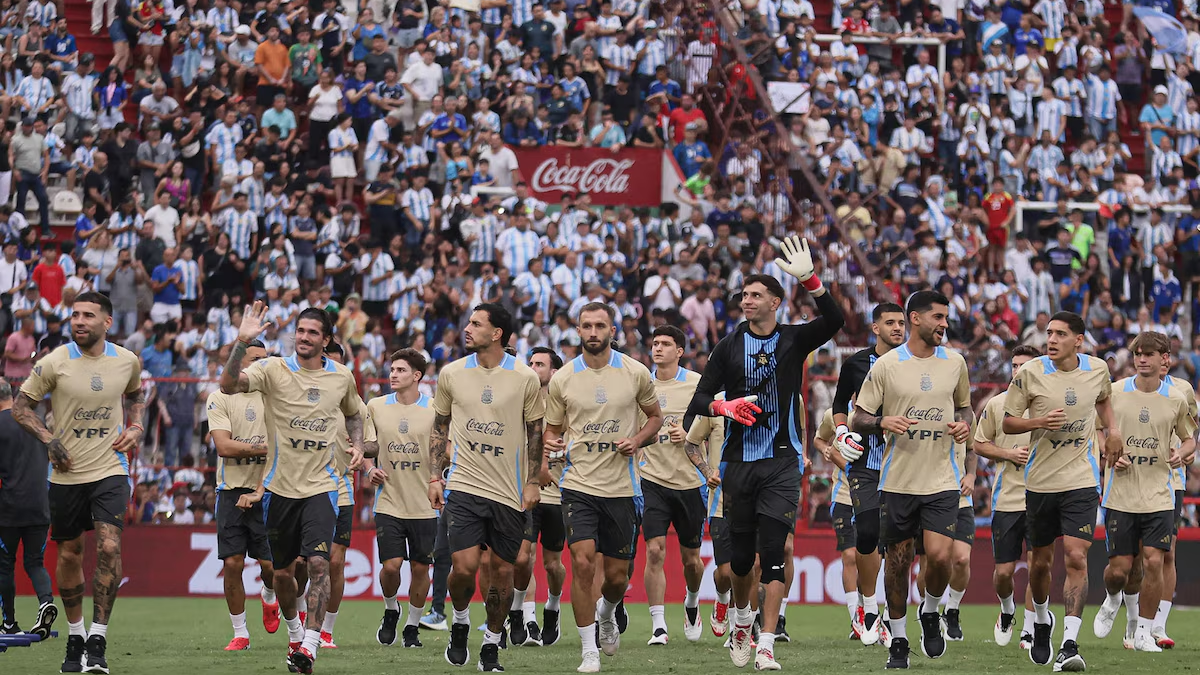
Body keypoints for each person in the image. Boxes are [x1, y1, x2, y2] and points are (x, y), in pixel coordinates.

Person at [685, 236, 843, 671]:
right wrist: (724, 405)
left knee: (774, 553)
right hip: (737, 464)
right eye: (744, 296)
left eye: (756, 295)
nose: (746, 300)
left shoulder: (793, 340)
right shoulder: (728, 347)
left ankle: (767, 642)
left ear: (775, 301)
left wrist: (810, 278)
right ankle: (740, 622)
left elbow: (835, 318)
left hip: (781, 464)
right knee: (740, 561)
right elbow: (696, 404)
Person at [220, 303, 367, 675]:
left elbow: (353, 414)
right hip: (279, 489)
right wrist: (242, 342)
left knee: (319, 563)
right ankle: (296, 631)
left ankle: (311, 646)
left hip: (322, 487)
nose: (304, 337)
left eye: (313, 332)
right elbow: (227, 385)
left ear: (327, 339)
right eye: (300, 330)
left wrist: (359, 444)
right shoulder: (273, 369)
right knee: (283, 575)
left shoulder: (341, 377)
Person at [14, 291, 145, 674]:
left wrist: (136, 426)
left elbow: (137, 397)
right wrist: (48, 439)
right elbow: (22, 408)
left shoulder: (126, 360)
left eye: (88, 315)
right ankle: (76, 636)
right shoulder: (53, 362)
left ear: (107, 321)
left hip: (111, 469)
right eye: (74, 315)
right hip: (67, 473)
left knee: (108, 545)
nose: (79, 322)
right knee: (70, 552)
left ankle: (98, 639)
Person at [853, 290, 973, 669]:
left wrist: (964, 424)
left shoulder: (955, 362)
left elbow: (966, 406)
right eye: (938, 317)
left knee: (940, 558)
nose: (944, 324)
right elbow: (858, 418)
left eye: (946, 317)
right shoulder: (887, 365)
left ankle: (931, 611)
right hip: (898, 480)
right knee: (898, 564)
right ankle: (899, 640)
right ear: (916, 319)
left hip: (942, 478)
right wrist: (882, 422)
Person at [544, 301, 663, 673]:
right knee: (580, 562)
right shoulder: (563, 378)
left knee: (616, 577)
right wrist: (552, 443)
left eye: (600, 326)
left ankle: (608, 610)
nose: (593, 332)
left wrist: (638, 439)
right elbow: (552, 429)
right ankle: (588, 649)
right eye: (586, 326)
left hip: (623, 488)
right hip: (578, 485)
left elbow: (656, 418)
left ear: (613, 330)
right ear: (577, 331)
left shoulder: (635, 372)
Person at [427, 302, 544, 672]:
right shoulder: (451, 373)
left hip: (508, 491)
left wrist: (532, 481)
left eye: (476, 324)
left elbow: (535, 432)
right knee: (462, 567)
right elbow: (439, 426)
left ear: (496, 333)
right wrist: (434, 476)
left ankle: (491, 645)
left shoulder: (525, 377)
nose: (467, 328)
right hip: (463, 484)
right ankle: (459, 623)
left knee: (503, 573)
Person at [1002, 310, 1120, 671]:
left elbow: (1103, 401)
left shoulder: (1098, 369)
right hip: (1039, 482)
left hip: (1081, 480)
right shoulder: (1030, 374)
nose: (1051, 339)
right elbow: (1008, 421)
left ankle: (1069, 644)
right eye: (1049, 333)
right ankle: (1040, 620)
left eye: (1060, 334)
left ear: (1078, 340)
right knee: (1039, 564)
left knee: (1075, 557)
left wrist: (1112, 430)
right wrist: (1038, 422)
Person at [1092, 331, 1194, 653]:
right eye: (1138, 354)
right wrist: (1108, 453)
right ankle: (1111, 599)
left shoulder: (1177, 397)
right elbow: (1097, 427)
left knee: (1154, 561)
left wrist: (1183, 453)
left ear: (1164, 357)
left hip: (1160, 494)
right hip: (1120, 493)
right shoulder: (1116, 392)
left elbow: (1190, 437)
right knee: (1120, 571)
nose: (1142, 359)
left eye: (1148, 354)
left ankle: (1145, 632)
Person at [830, 302, 905, 645]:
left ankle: (890, 617)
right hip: (866, 463)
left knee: (900, 545)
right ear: (875, 328)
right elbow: (838, 405)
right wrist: (843, 433)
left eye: (901, 322)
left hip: (906, 464)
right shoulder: (856, 363)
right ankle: (869, 607)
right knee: (868, 534)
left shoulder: (914, 364)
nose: (898, 328)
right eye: (890, 322)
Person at [205, 338, 279, 651]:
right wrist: (263, 449)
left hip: (270, 490)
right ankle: (241, 634)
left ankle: (269, 594)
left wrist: (247, 449)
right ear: (240, 363)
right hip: (231, 492)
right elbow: (223, 447)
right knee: (233, 564)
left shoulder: (274, 397)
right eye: (255, 359)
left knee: (272, 568)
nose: (262, 364)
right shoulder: (219, 397)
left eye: (266, 359)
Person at [365, 348, 439, 649]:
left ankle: (411, 626)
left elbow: (445, 449)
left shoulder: (435, 409)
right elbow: (365, 446)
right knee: (392, 566)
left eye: (400, 370)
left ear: (417, 376)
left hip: (425, 504)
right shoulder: (376, 406)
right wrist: (369, 468)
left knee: (421, 569)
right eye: (392, 369)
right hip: (389, 501)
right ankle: (391, 608)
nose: (393, 375)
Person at [640, 325, 706, 646]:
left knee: (691, 560)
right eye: (655, 343)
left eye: (666, 344)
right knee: (654, 551)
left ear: (680, 351)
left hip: (690, 482)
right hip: (651, 480)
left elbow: (713, 424)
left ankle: (692, 601)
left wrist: (691, 434)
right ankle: (658, 626)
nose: (658, 348)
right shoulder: (642, 383)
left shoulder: (696, 384)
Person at [972, 345, 1041, 650]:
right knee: (1003, 573)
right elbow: (979, 444)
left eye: (1023, 366)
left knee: (1039, 566)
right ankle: (1007, 610)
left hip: (1041, 500)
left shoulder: (1047, 407)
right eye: (1014, 365)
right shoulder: (998, 405)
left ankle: (1029, 629)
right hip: (1007, 501)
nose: (1017, 371)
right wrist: (1007, 453)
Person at [509, 346, 568, 648]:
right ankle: (524, 616)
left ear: (554, 371)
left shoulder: (567, 405)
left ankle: (553, 607)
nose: (533, 367)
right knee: (522, 557)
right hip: (526, 492)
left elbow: (574, 446)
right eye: (530, 362)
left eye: (540, 363)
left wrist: (560, 450)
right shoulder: (521, 403)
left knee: (553, 565)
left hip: (558, 494)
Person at [317, 340, 374, 649]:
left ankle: (326, 629)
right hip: (303, 488)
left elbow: (373, 443)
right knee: (303, 563)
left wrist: (362, 450)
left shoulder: (356, 407)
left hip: (339, 490)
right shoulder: (306, 399)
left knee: (335, 563)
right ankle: (300, 621)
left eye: (340, 367)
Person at [0, 379, 57, 639]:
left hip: (9, 506)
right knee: (35, 562)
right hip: (40, 505)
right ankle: (46, 601)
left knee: (5, 565)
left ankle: (9, 622)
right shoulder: (37, 422)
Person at [813, 407, 861, 640]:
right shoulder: (835, 414)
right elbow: (819, 439)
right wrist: (827, 450)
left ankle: (870, 611)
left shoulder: (884, 410)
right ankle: (856, 619)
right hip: (843, 495)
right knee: (849, 555)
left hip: (875, 495)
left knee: (873, 558)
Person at [681, 396, 726, 638]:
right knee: (726, 571)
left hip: (757, 495)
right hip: (721, 500)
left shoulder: (769, 397)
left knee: (755, 564)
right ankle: (722, 598)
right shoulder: (715, 404)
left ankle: (747, 628)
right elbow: (691, 443)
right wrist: (707, 471)